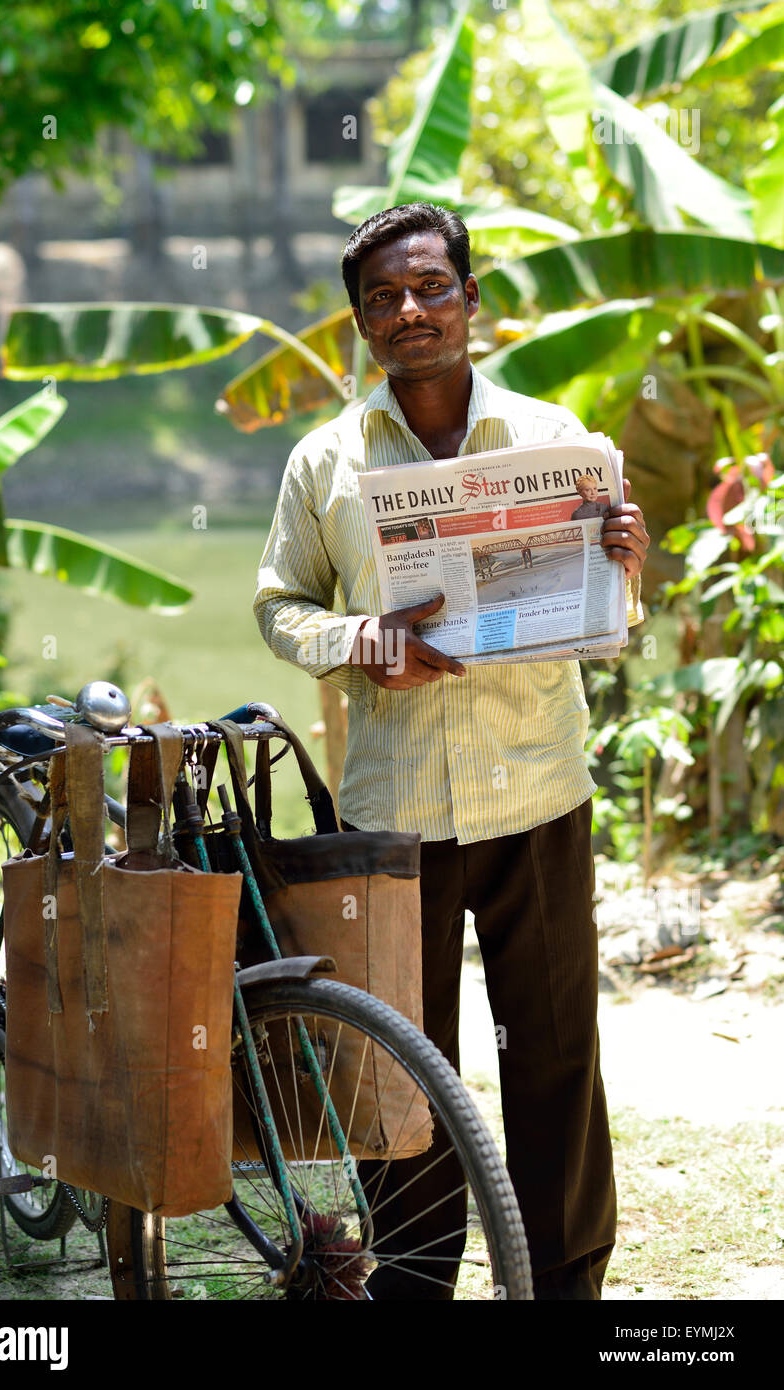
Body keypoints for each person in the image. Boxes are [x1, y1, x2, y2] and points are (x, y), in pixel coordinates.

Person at [253, 202, 649, 1300]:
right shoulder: (323, 463)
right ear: (361, 325)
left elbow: (613, 621)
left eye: (430, 286)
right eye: (383, 297)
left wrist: (627, 560)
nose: (409, 309)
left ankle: (567, 1287)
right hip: (394, 813)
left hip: (537, 792)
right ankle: (418, 1281)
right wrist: (357, 640)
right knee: (404, 1068)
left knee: (555, 1058)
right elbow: (279, 606)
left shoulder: (556, 439)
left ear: (471, 300)